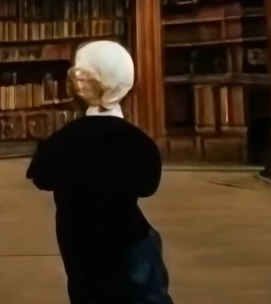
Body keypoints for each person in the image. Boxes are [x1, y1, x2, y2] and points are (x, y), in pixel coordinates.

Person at [26, 40, 175, 304]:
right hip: (130, 242)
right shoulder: (137, 141)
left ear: (77, 85)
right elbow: (148, 185)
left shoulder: (62, 141)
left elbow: (40, 176)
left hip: (80, 248)